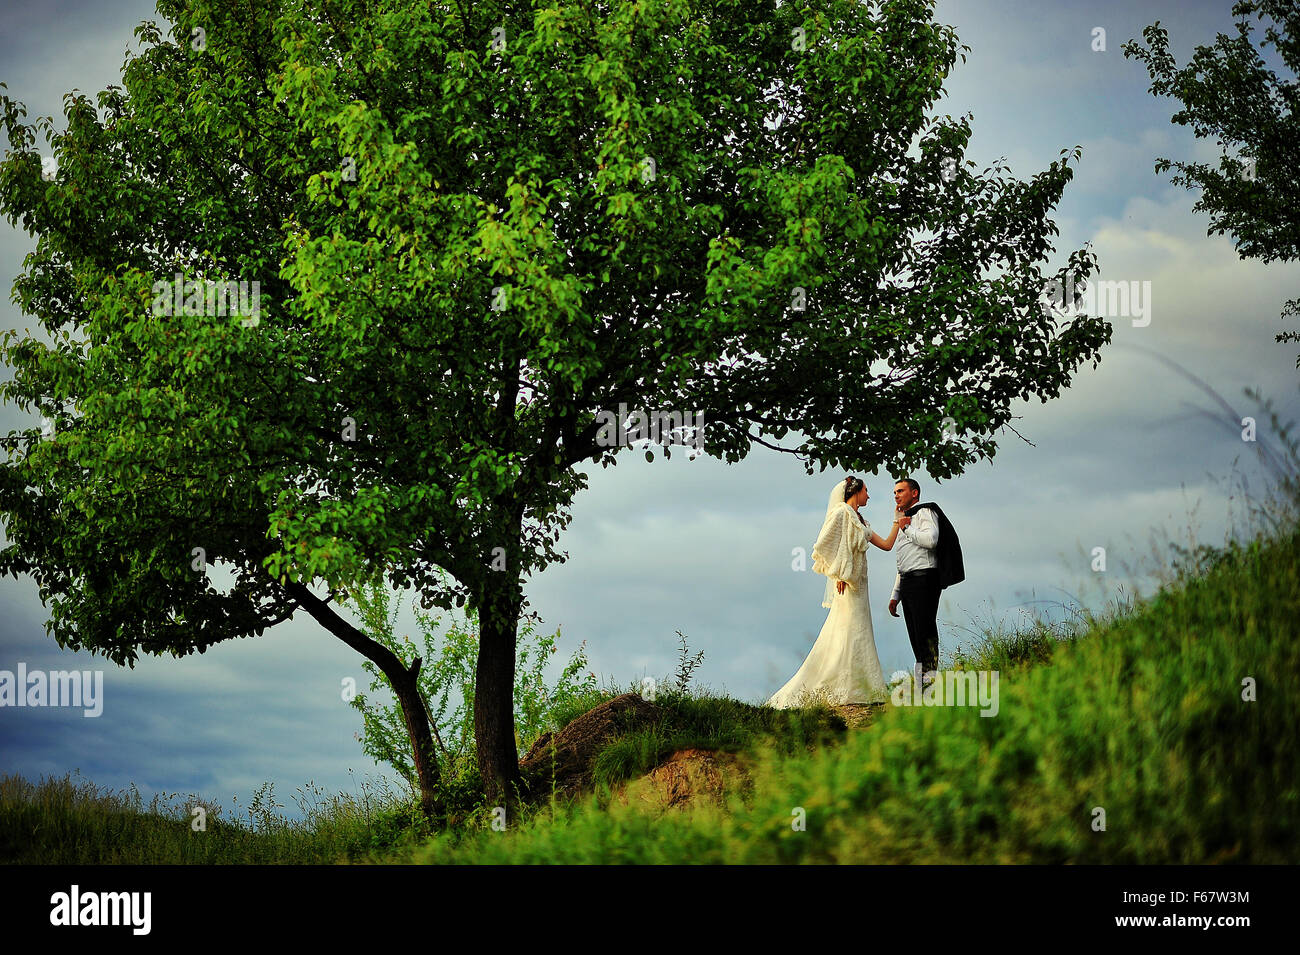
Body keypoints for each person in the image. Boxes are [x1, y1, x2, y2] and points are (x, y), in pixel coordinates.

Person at [767, 475, 906, 708]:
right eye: (866, 490)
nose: (868, 495)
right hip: (849, 584)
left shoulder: (859, 520)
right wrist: (838, 573)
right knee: (848, 630)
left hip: (861, 586)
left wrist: (896, 521)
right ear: (856, 491)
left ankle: (862, 687)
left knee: (860, 631)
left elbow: (887, 545)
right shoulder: (841, 513)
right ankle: (845, 688)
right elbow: (823, 544)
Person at [887, 477, 963, 682]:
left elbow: (931, 540)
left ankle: (929, 684)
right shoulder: (903, 518)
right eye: (894, 492)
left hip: (924, 579)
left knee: (925, 633)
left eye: (901, 491)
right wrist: (896, 594)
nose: (896, 495)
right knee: (915, 636)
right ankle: (924, 683)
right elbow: (904, 561)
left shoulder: (924, 512)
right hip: (908, 581)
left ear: (914, 493)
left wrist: (907, 528)